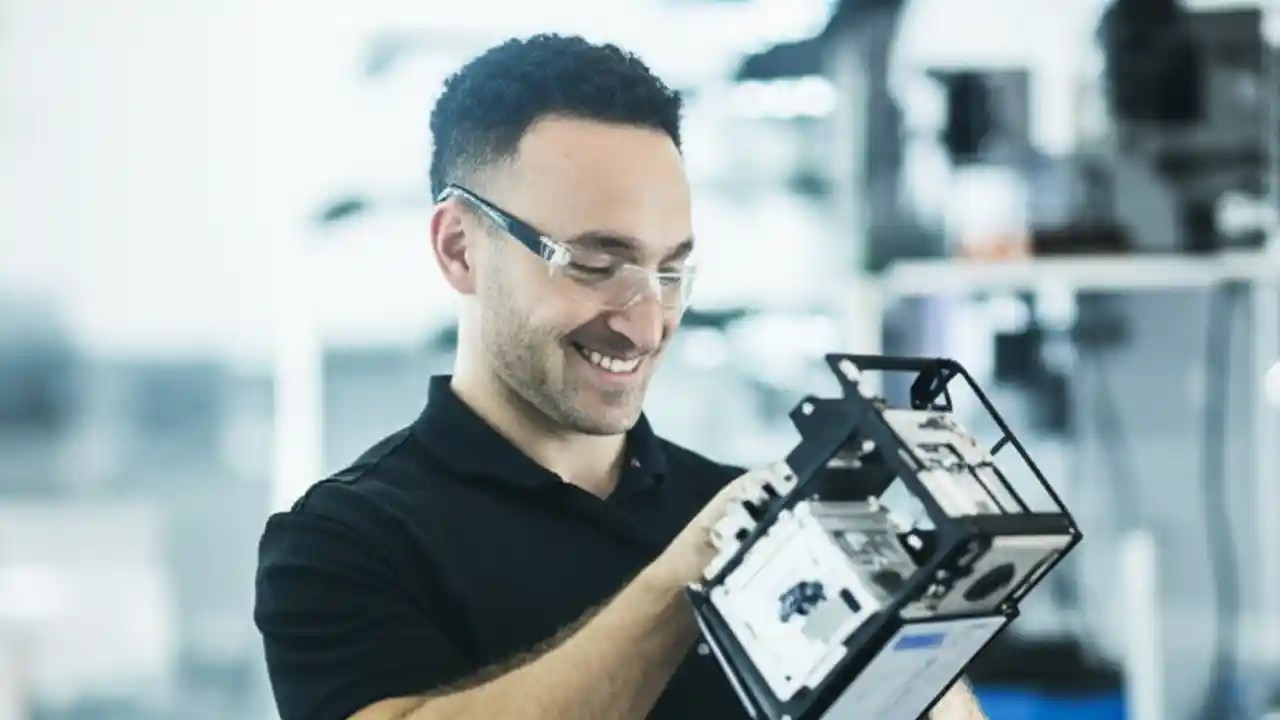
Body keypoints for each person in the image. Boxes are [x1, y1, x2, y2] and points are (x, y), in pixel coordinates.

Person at [253, 33, 989, 720]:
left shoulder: (750, 521)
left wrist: (917, 648)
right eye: (594, 265)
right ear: (459, 249)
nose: (645, 324)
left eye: (670, 272)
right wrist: (683, 582)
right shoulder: (346, 543)